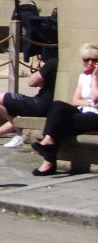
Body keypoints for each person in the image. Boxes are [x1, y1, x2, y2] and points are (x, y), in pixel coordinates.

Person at [30, 45, 98, 176]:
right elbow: (76, 100)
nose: (90, 63)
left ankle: (48, 161)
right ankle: (48, 140)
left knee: (59, 123)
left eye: (94, 59)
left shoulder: (95, 76)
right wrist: (89, 102)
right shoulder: (84, 76)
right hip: (84, 110)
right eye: (86, 59)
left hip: (95, 115)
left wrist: (95, 78)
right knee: (57, 106)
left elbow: (96, 98)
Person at [0, 57, 58, 149]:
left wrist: (41, 74)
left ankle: (20, 134)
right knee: (18, 117)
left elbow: (31, 82)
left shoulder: (53, 62)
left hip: (41, 105)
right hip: (54, 106)